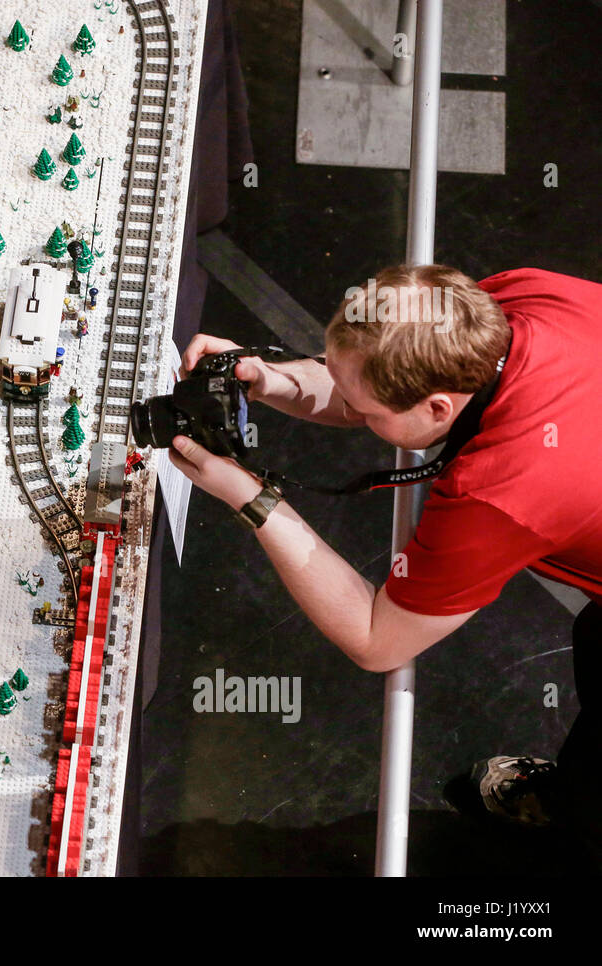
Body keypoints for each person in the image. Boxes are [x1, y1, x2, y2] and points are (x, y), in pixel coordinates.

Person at [171, 264, 602, 863]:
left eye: (364, 407)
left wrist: (253, 498)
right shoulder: (496, 305)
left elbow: (377, 639)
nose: (350, 405)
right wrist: (271, 381)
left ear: (436, 408)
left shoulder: (500, 491)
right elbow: (369, 391)